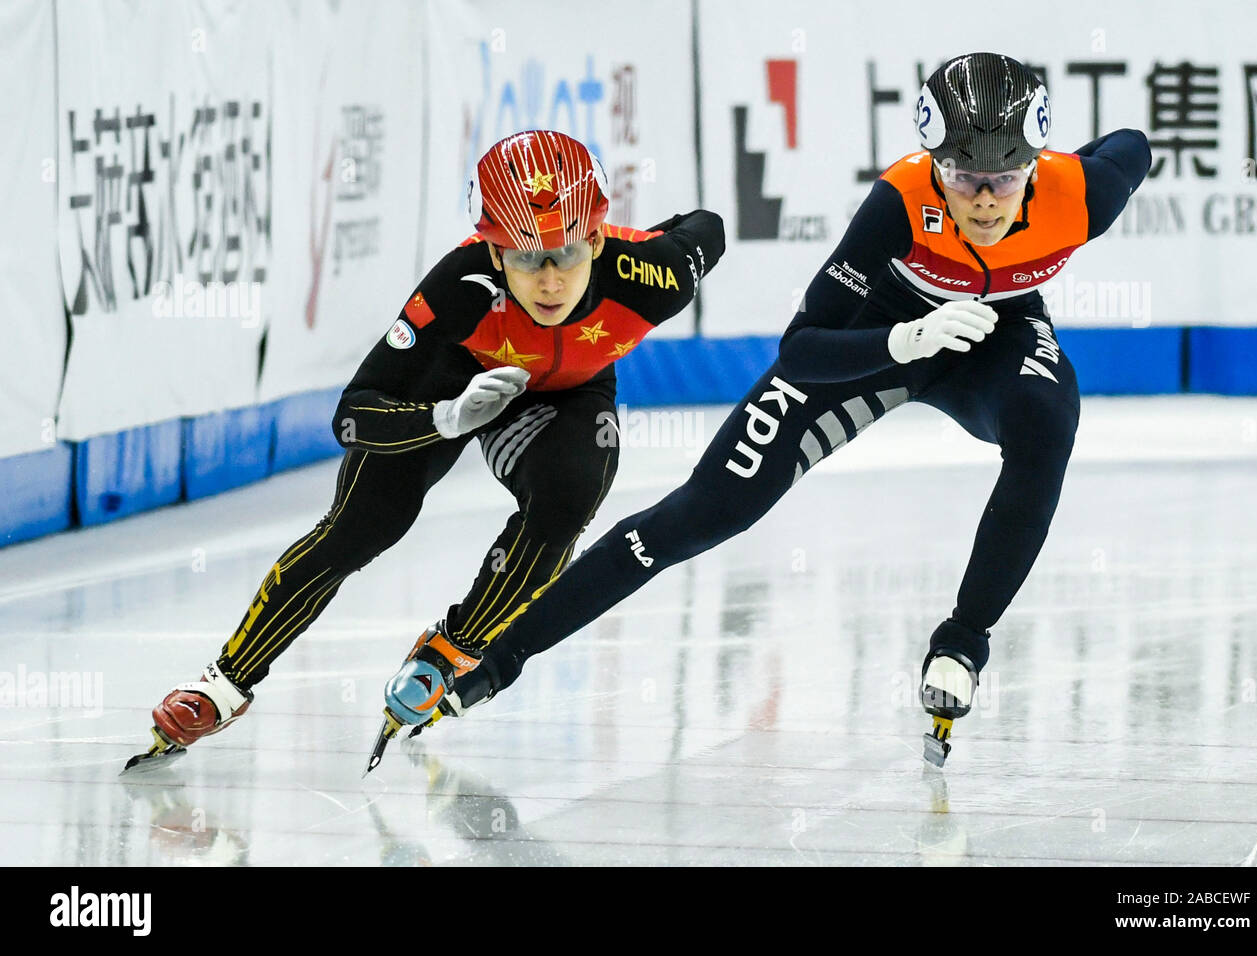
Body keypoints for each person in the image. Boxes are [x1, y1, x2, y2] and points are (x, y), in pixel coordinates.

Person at [408, 53, 1153, 767]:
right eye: (961, 177)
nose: (984, 199)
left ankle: (962, 642)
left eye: (1003, 177)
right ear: (932, 163)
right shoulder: (897, 204)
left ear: (1036, 163)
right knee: (700, 513)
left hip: (995, 335)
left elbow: (1132, 147)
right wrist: (903, 338)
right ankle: (500, 658)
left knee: (1048, 424)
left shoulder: (1082, 192)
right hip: (872, 338)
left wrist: (1052, 181)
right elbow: (802, 351)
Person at [124, 129, 725, 772]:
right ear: (493, 253)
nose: (549, 280)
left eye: (568, 252)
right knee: (364, 525)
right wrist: (443, 418)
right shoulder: (456, 289)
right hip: (446, 385)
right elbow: (351, 417)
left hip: (566, 396)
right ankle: (226, 681)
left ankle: (451, 650)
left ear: (600, 238)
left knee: (571, 492)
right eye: (524, 259)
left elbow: (705, 227)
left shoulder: (652, 276)